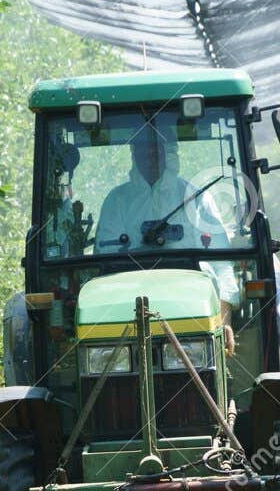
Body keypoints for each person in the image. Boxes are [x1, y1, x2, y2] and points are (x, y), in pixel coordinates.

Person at [94, 123, 241, 348]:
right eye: (143, 148)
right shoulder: (117, 201)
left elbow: (221, 264)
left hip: (195, 311)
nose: (150, 155)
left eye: (156, 148)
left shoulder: (196, 198)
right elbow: (103, 268)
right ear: (134, 153)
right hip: (125, 316)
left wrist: (223, 322)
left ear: (169, 151)